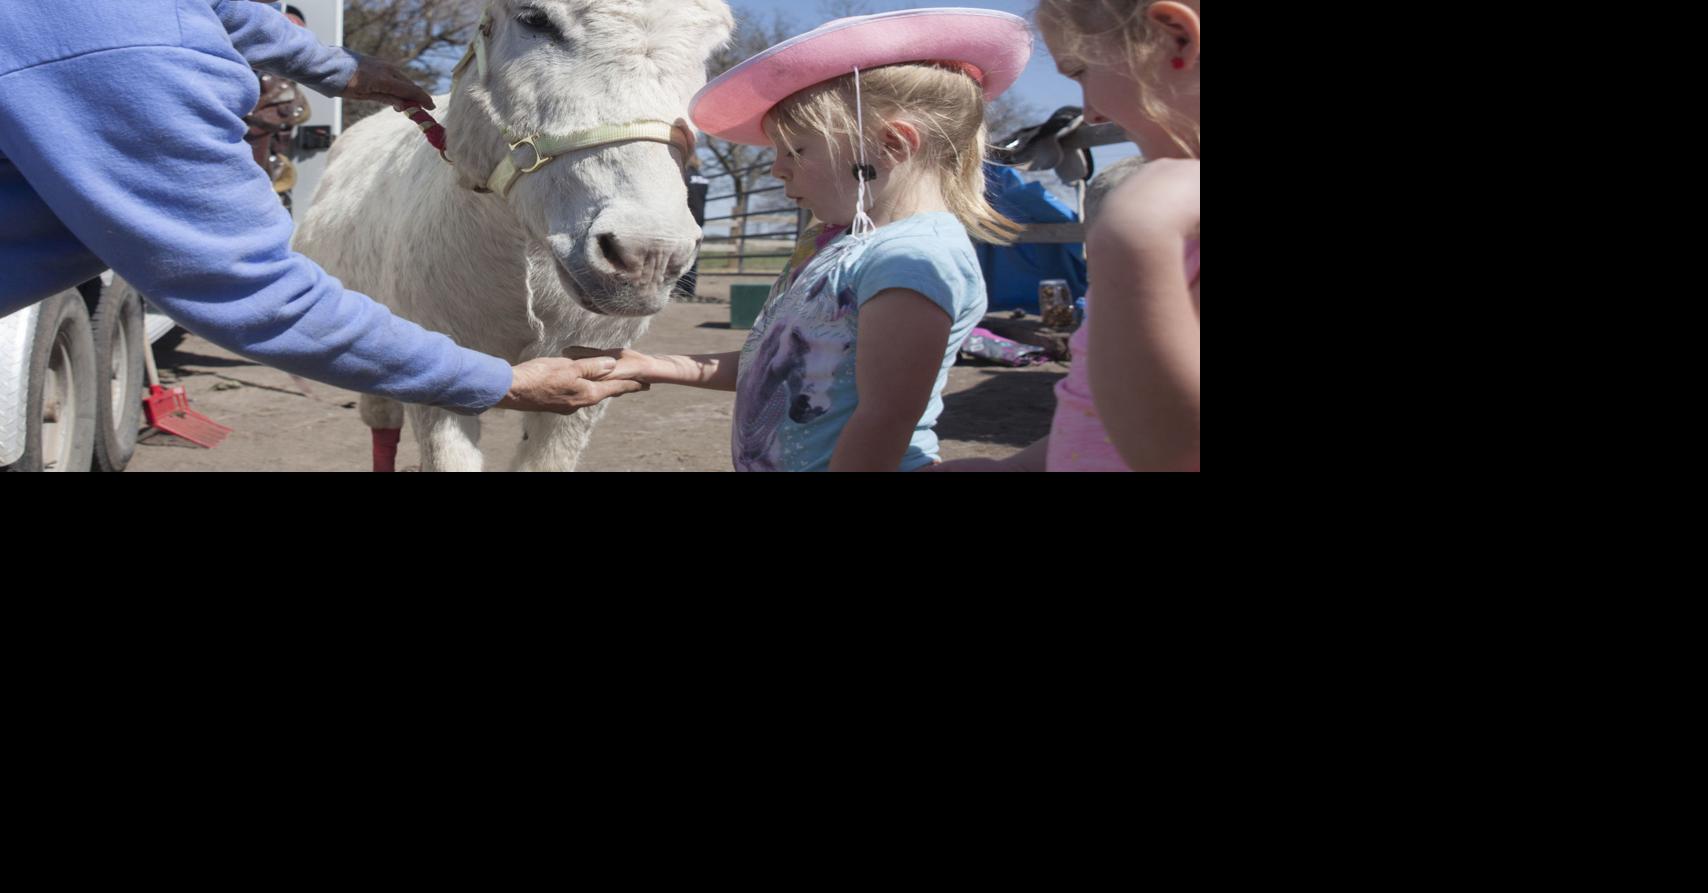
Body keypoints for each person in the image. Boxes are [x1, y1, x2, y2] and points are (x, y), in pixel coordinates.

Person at [0, 0, 642, 419]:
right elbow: (253, 289)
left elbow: (218, 7)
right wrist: (500, 382)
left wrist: (338, 68)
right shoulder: (132, 59)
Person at [572, 7, 1033, 471]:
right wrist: (652, 364)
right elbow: (779, 365)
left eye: (796, 149)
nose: (777, 168)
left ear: (892, 146)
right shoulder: (840, 244)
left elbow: (884, 419)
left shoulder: (910, 261)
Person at [936, 0, 1200, 472]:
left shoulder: (1152, 227)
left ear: (1174, 38)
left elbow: (1174, 453)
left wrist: (1135, 233)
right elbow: (1102, 419)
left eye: (1079, 71)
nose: (1091, 114)